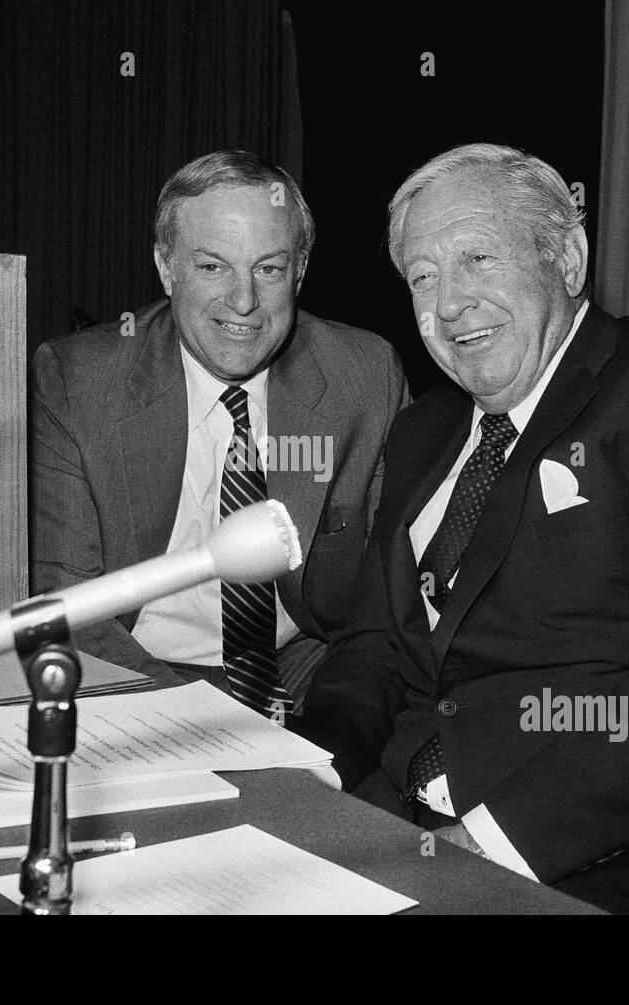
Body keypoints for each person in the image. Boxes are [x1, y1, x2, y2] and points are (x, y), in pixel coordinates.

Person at [297, 142, 629, 913]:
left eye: (477, 257)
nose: (448, 304)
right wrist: (303, 768)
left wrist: (479, 846)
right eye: (423, 276)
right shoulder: (426, 431)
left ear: (568, 259)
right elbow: (374, 649)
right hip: (409, 812)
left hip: (623, 852)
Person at [31, 150, 408, 716]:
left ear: (300, 270)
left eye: (269, 269)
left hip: (307, 666)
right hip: (135, 672)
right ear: (166, 266)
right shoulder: (78, 382)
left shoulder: (365, 373)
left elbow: (392, 591)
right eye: (213, 267)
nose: (243, 301)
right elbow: (70, 610)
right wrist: (207, 722)